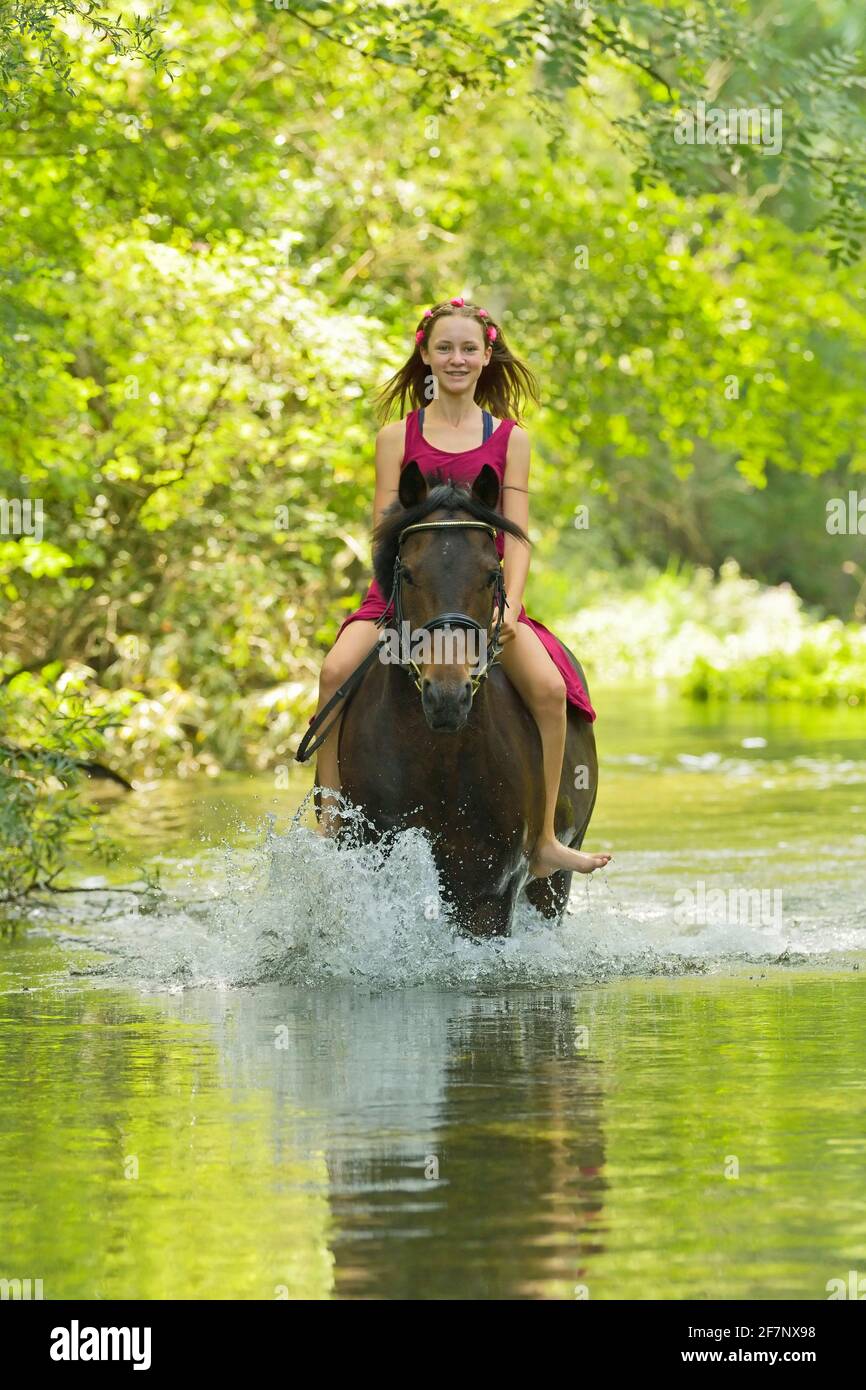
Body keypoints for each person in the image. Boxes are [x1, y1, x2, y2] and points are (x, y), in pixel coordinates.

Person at [307, 296, 612, 879]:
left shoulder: (510, 440)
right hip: (407, 593)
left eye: (468, 348)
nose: (456, 358)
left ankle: (545, 838)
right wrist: (395, 605)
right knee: (332, 672)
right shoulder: (397, 437)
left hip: (480, 597)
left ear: (486, 354)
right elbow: (384, 528)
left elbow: (517, 537)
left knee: (550, 690)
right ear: (425, 355)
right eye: (444, 347)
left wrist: (512, 607)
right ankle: (331, 821)